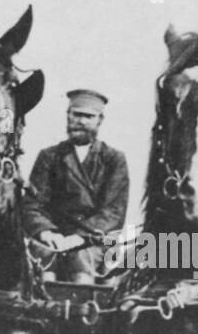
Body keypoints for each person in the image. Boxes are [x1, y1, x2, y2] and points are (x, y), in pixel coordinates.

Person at [23, 88, 129, 283]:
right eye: (76, 115)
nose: (81, 121)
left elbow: (113, 212)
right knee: (43, 259)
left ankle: (84, 309)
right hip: (54, 237)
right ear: (68, 116)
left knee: (82, 258)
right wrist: (47, 232)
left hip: (95, 240)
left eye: (88, 116)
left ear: (100, 120)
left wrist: (80, 237)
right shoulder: (49, 156)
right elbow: (33, 204)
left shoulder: (114, 159)